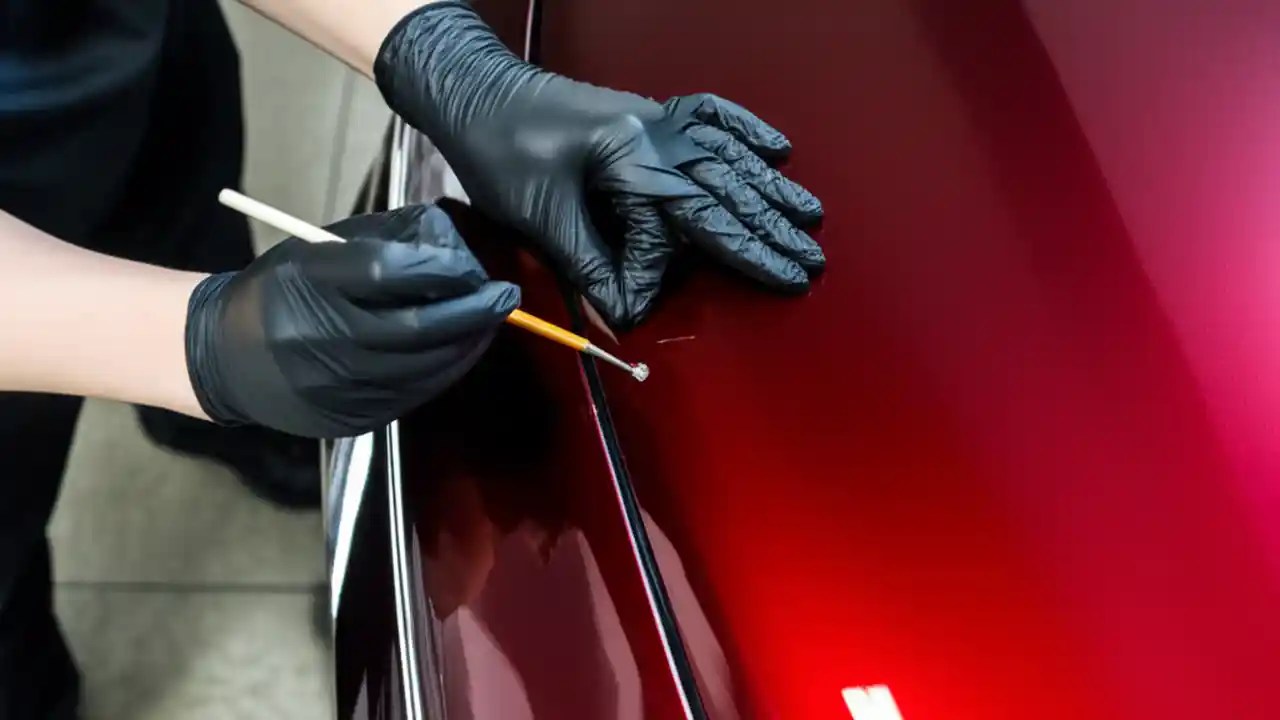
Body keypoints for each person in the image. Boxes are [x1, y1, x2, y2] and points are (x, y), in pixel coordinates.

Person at [0, 0, 824, 716]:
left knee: (174, 204)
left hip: (108, 53)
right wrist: (185, 341)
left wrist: (441, 55)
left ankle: (234, 436)